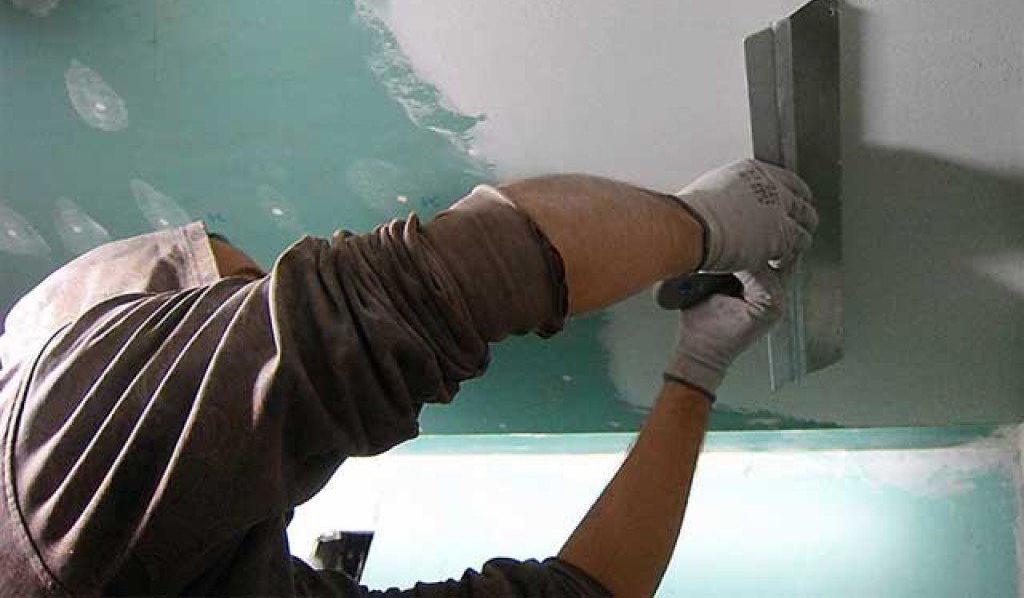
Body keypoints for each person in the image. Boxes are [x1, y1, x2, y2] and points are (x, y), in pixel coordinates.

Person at [0, 158, 816, 597]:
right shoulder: (60, 481)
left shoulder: (209, 572)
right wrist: (703, 226)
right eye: (238, 300)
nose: (262, 304)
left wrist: (695, 371)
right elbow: (465, 273)